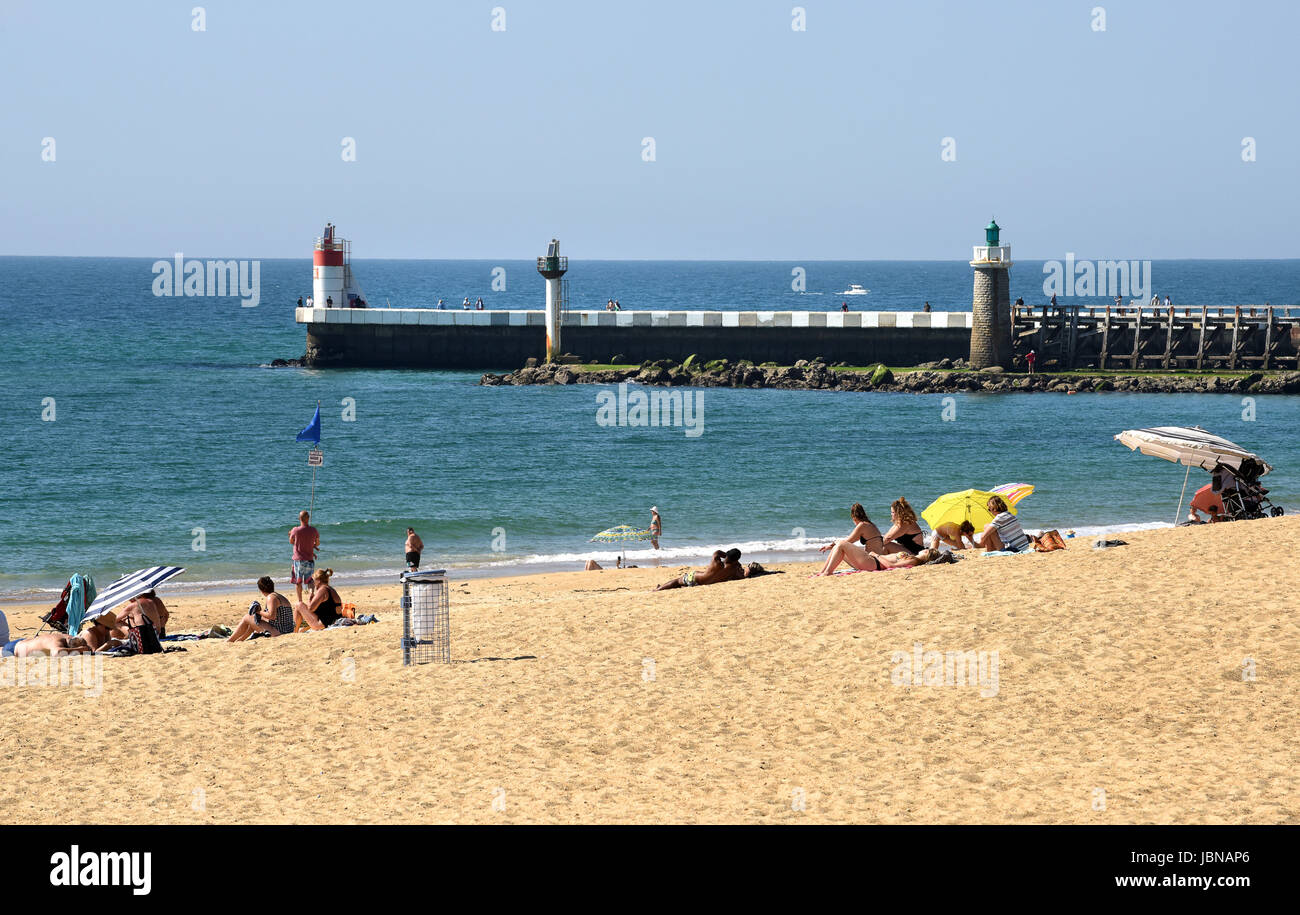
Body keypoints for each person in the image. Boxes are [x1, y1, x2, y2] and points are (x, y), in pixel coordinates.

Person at [815, 503, 890, 575]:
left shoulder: (862, 525)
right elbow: (850, 542)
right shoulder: (870, 525)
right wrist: (832, 546)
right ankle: (824, 571)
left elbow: (846, 542)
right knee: (837, 547)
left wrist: (833, 543)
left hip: (872, 562)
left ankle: (827, 572)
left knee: (840, 544)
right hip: (874, 562)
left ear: (854, 517)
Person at [228, 577, 295, 642]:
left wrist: (258, 611)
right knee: (254, 619)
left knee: (247, 617)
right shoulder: (280, 596)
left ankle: (230, 640)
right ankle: (240, 640)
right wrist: (259, 614)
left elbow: (272, 616)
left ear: (261, 590)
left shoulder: (271, 597)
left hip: (279, 632)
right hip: (287, 630)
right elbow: (277, 617)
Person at [289, 510, 320, 604]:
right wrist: (313, 544)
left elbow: (291, 541)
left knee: (298, 582)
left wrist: (295, 539)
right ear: (308, 518)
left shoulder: (295, 530)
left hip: (298, 560)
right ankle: (311, 592)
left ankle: (300, 601)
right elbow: (317, 543)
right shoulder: (313, 530)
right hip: (309, 559)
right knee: (310, 580)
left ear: (299, 519)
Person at [654, 552, 730, 590]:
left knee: (677, 581)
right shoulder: (732, 569)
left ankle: (658, 589)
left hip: (694, 578)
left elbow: (717, 552)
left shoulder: (717, 563)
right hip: (699, 584)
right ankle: (683, 586)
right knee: (681, 584)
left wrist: (727, 555)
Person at [4, 632, 92, 658]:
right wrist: (80, 650)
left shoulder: (66, 636)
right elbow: (57, 652)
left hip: (24, 641)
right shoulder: (57, 643)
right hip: (14, 649)